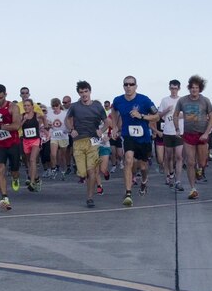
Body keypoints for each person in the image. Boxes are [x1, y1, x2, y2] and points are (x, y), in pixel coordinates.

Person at [110, 75, 159, 206]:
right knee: (128, 160)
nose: (128, 87)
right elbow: (113, 110)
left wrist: (141, 115)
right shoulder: (118, 100)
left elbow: (157, 116)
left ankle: (144, 181)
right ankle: (128, 193)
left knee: (143, 167)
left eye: (131, 84)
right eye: (126, 84)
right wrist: (114, 126)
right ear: (123, 86)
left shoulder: (144, 100)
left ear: (136, 86)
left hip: (144, 138)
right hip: (128, 135)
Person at [66, 80, 107, 208]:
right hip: (78, 141)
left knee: (91, 172)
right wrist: (71, 130)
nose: (84, 94)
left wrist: (102, 130)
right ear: (78, 93)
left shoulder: (98, 106)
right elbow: (67, 119)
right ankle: (84, 178)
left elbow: (107, 122)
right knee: (83, 173)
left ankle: (90, 198)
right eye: (81, 92)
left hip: (93, 141)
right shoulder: (74, 106)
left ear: (90, 91)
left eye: (86, 91)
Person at [173, 75, 212, 200]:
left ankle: (200, 170)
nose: (194, 90)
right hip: (188, 134)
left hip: (202, 134)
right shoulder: (183, 101)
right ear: (189, 88)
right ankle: (193, 189)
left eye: (196, 88)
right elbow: (175, 115)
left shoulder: (205, 101)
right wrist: (177, 129)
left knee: (202, 162)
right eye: (192, 88)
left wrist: (207, 132)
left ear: (200, 89)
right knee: (190, 162)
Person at [0, 84, 22, 210]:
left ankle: (15, 178)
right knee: (0, 169)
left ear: (5, 95)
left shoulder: (13, 107)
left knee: (15, 171)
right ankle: (4, 197)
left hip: (13, 143)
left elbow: (17, 125)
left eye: (1, 97)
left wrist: (0, 126)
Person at [158, 79, 185, 191]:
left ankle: (178, 180)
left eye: (176, 88)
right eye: (172, 88)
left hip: (179, 132)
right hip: (168, 131)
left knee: (179, 156)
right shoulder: (165, 100)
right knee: (168, 156)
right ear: (169, 88)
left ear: (179, 89)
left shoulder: (182, 100)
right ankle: (169, 175)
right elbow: (159, 115)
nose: (174, 90)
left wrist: (180, 116)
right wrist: (166, 110)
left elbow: (189, 115)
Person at [20, 98, 48, 192]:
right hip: (26, 141)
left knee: (33, 160)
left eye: (28, 105)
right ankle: (37, 179)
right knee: (28, 162)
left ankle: (32, 182)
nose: (26, 107)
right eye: (25, 105)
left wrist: (46, 128)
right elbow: (18, 127)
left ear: (32, 106)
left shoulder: (37, 115)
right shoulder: (22, 116)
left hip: (35, 140)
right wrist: (24, 120)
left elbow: (44, 118)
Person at [45, 97, 70, 178]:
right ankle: (53, 170)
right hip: (54, 136)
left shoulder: (65, 113)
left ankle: (64, 170)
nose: (55, 107)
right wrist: (48, 125)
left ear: (59, 105)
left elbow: (68, 124)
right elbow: (47, 125)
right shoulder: (49, 114)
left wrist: (67, 130)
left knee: (63, 156)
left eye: (56, 105)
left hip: (63, 136)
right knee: (53, 154)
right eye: (53, 106)